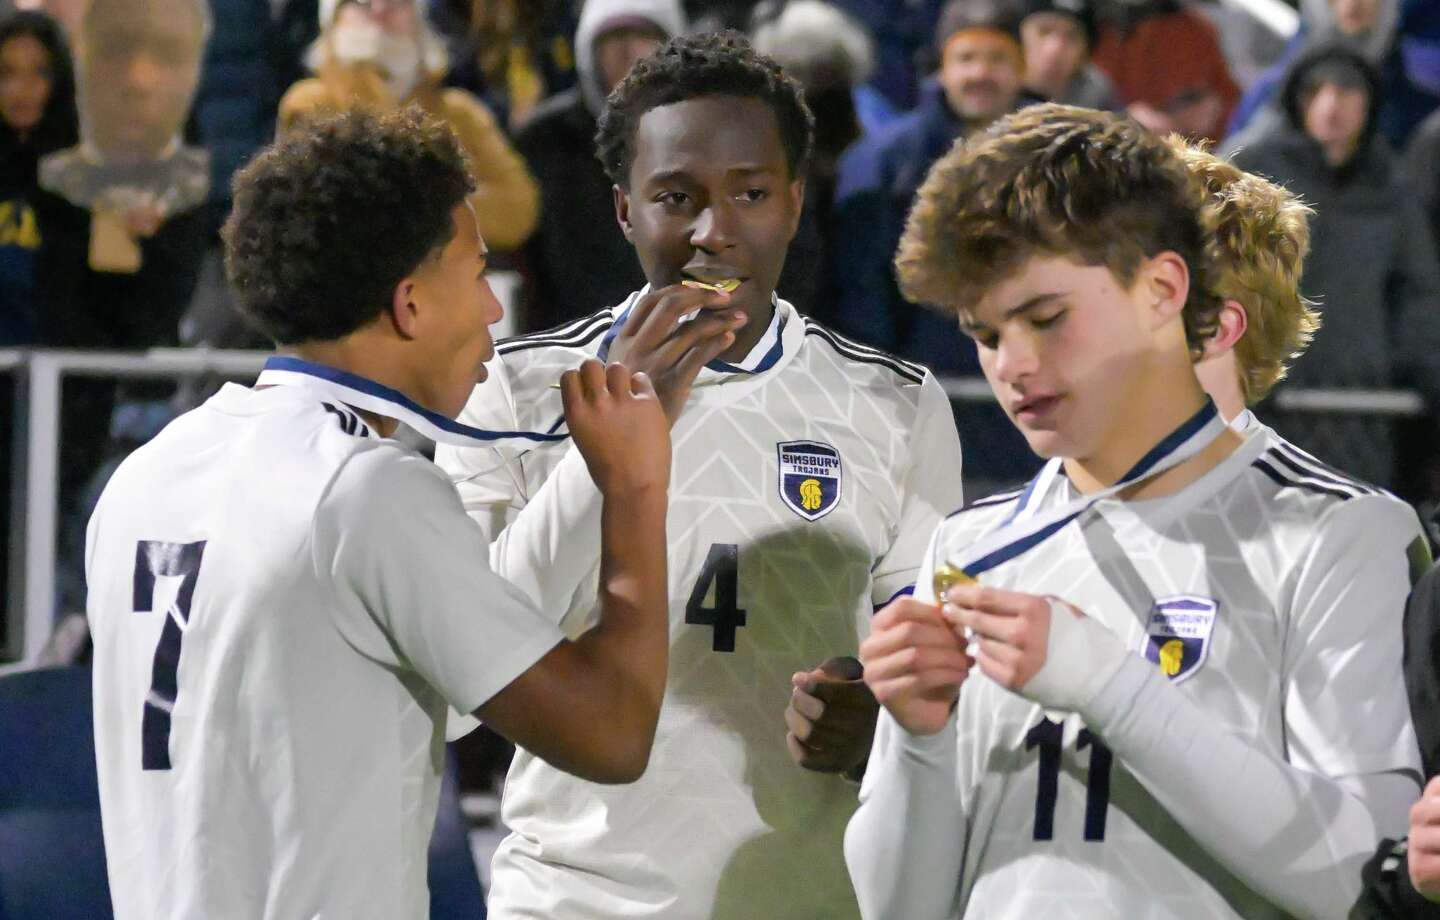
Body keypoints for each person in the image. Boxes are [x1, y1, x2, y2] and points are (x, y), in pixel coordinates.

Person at [86, 107, 674, 918]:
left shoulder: (143, 478)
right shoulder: (369, 492)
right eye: (475, 274)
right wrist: (634, 490)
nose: (494, 312)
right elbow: (612, 735)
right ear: (410, 305)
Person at [846, 103, 1422, 918]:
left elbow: (1369, 881)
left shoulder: (1338, 534)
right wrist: (919, 739)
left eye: (1047, 319)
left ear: (1162, 290)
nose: (1013, 365)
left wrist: (1112, 687)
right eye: (985, 334)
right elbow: (899, 909)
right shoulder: (972, 543)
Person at [435, 31, 964, 920]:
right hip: (572, 900)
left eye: (750, 194)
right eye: (675, 197)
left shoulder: (896, 405)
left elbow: (936, 679)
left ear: (795, 203)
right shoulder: (512, 390)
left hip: (807, 897)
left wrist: (881, 721)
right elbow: (458, 686)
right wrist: (615, 442)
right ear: (624, 210)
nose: (714, 233)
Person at [833, 0, 1039, 494]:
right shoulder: (883, 166)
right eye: (967, 58)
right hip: (921, 424)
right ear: (941, 66)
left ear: (1021, 68)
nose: (980, 73)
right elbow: (861, 296)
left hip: (1030, 426)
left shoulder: (1060, 162)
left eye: (997, 58)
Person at [1228, 43, 1440, 492]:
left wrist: (1426, 378)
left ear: (1369, 104)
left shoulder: (1392, 189)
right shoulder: (1255, 177)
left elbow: (1418, 296)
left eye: (1346, 91)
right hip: (1265, 400)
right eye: (1315, 91)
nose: (1331, 104)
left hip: (1365, 407)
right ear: (1296, 102)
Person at [280, 0, 538, 252]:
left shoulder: (460, 111)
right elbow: (324, 215)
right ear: (332, 22)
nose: (380, 9)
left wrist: (419, 205)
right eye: (360, 2)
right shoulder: (311, 103)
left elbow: (518, 211)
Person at [511, 0, 680, 333]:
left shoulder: (709, 135)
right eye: (614, 37)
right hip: (570, 343)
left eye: (642, 34)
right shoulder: (543, 140)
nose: (629, 51)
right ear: (589, 51)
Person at [0, 9, 75, 342]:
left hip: (59, 371)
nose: (22, 89)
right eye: (7, 73)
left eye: (39, 73)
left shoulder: (81, 175)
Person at [1090, 0, 1238, 143]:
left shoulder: (1193, 28)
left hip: (1188, 148)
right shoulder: (1091, 27)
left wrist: (1212, 114)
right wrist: (1123, 117)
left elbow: (1227, 99)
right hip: (1114, 143)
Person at [1017, 0, 1118, 110]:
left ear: (1085, 54)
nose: (1055, 49)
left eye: (1071, 37)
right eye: (1043, 31)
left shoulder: (1099, 93)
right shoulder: (997, 86)